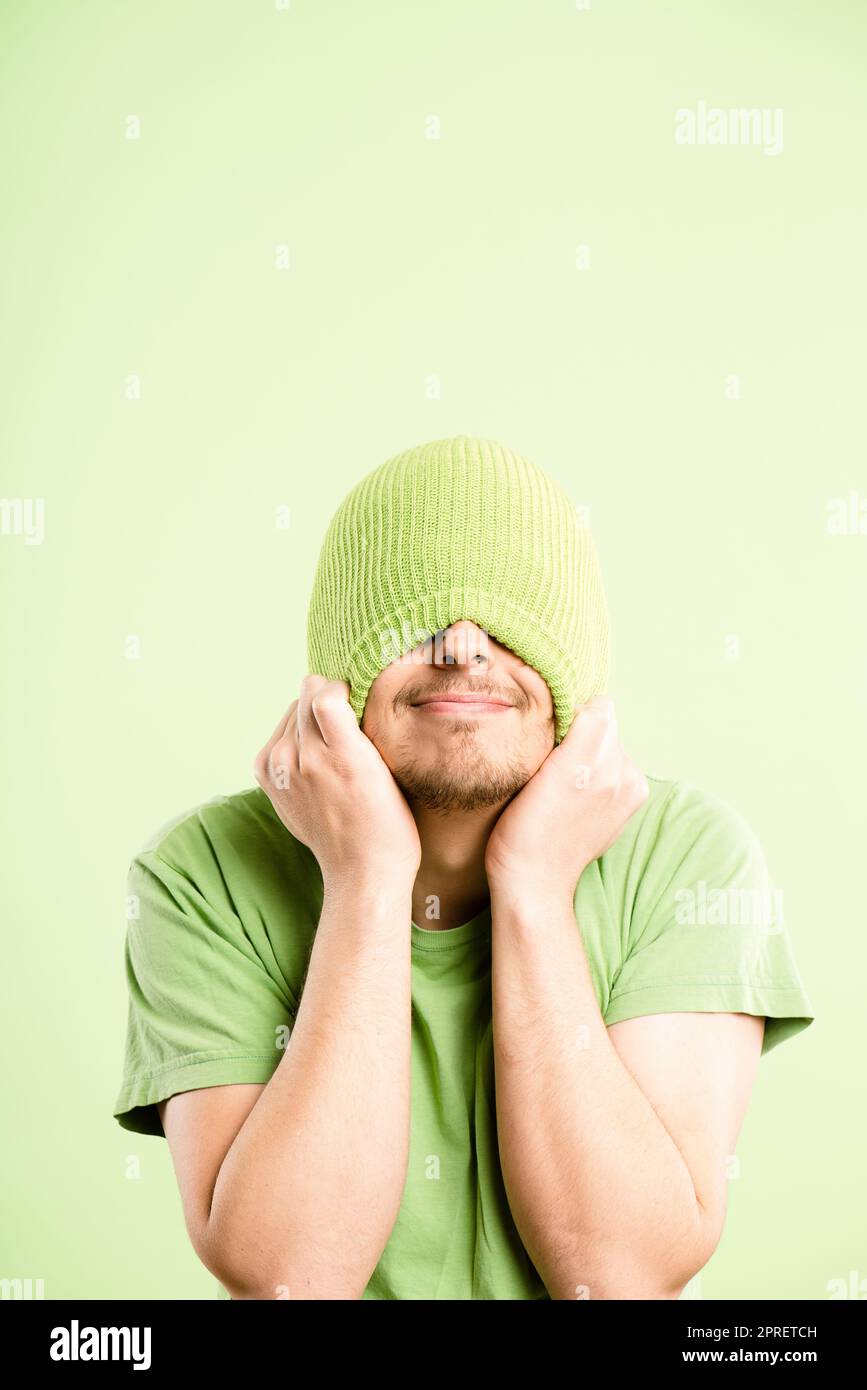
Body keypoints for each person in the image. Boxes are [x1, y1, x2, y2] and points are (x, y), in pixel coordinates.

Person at [112, 434, 815, 1301]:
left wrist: (532, 888)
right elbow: (291, 1279)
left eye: (511, 619)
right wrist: (366, 880)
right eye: (412, 622)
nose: (461, 650)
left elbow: (621, 1277)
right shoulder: (204, 873)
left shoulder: (687, 858)